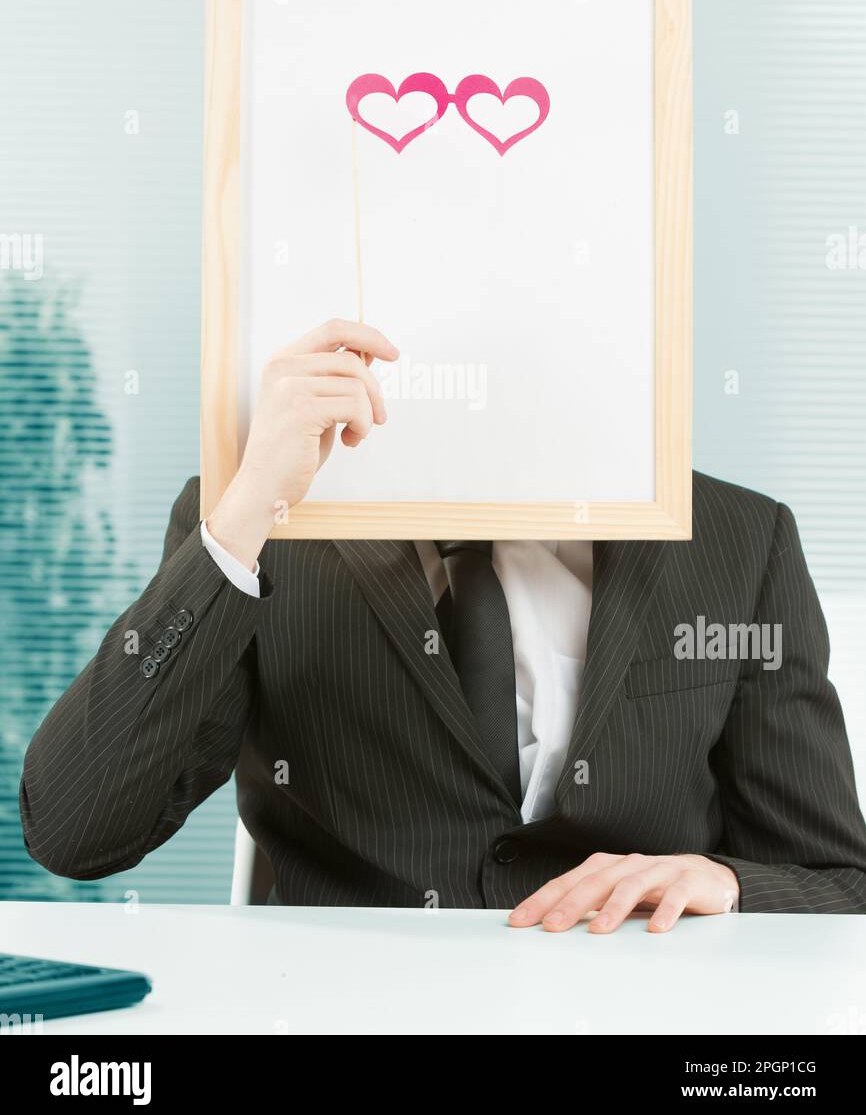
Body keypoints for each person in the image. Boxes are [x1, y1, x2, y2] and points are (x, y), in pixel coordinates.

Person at [20, 319, 866, 932]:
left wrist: (728, 883)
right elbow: (75, 830)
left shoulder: (738, 541)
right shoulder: (268, 530)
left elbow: (840, 882)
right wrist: (244, 514)